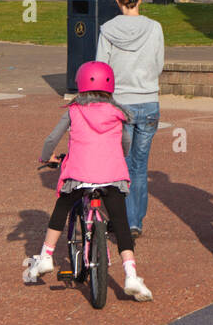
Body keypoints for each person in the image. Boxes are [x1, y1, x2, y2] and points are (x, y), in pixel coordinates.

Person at [26, 60, 152, 300]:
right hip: (112, 177)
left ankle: (45, 256)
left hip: (79, 175)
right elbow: (126, 143)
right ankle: (131, 275)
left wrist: (46, 157)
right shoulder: (117, 113)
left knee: (62, 206)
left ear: (80, 86)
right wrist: (117, 157)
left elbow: (52, 139)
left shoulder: (74, 111)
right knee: (121, 222)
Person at [95, 0, 164, 240]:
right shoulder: (154, 28)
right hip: (148, 101)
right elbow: (158, 65)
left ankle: (121, 218)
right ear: (140, 0)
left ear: (118, 2)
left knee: (120, 164)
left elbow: (101, 67)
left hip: (119, 102)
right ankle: (134, 222)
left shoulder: (108, 30)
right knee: (139, 165)